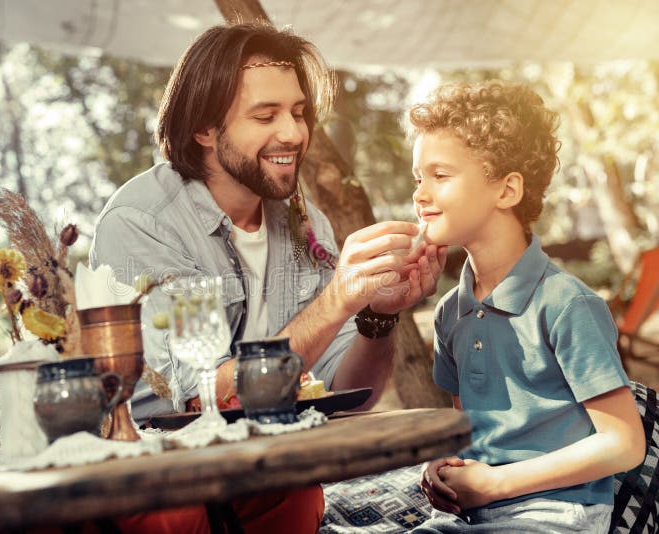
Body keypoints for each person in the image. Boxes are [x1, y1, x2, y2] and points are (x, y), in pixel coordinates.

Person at [89, 22, 446, 533]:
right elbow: (198, 397)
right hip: (155, 471)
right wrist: (336, 300)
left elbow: (350, 398)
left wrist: (376, 314)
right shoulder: (143, 223)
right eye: (266, 115)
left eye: (299, 112)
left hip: (264, 469)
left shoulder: (305, 224)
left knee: (296, 491)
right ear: (204, 129)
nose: (294, 133)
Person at [408, 80, 646, 533]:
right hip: (475, 515)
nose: (420, 194)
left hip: (558, 516)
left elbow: (624, 443)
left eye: (440, 176)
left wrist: (496, 484)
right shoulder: (449, 312)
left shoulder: (566, 304)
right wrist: (444, 465)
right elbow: (467, 427)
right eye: (418, 178)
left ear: (507, 190)